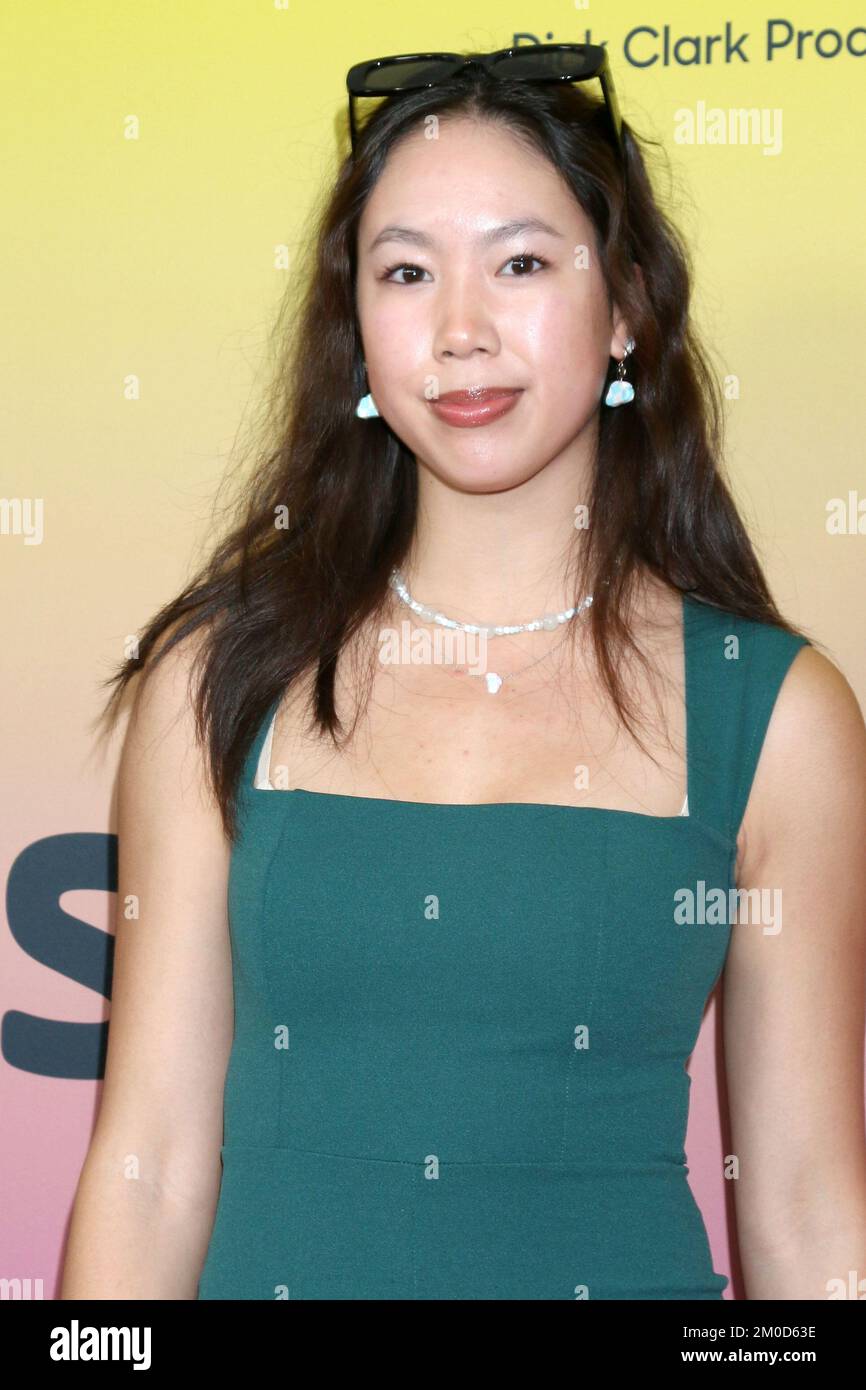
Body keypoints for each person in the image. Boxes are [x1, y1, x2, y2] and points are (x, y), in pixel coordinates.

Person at [61, 47, 866, 1301]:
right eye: (406, 272)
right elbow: (147, 1167)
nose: (460, 330)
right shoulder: (221, 676)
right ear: (356, 326)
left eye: (522, 262)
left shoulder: (771, 714)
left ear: (626, 306)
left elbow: (810, 1212)